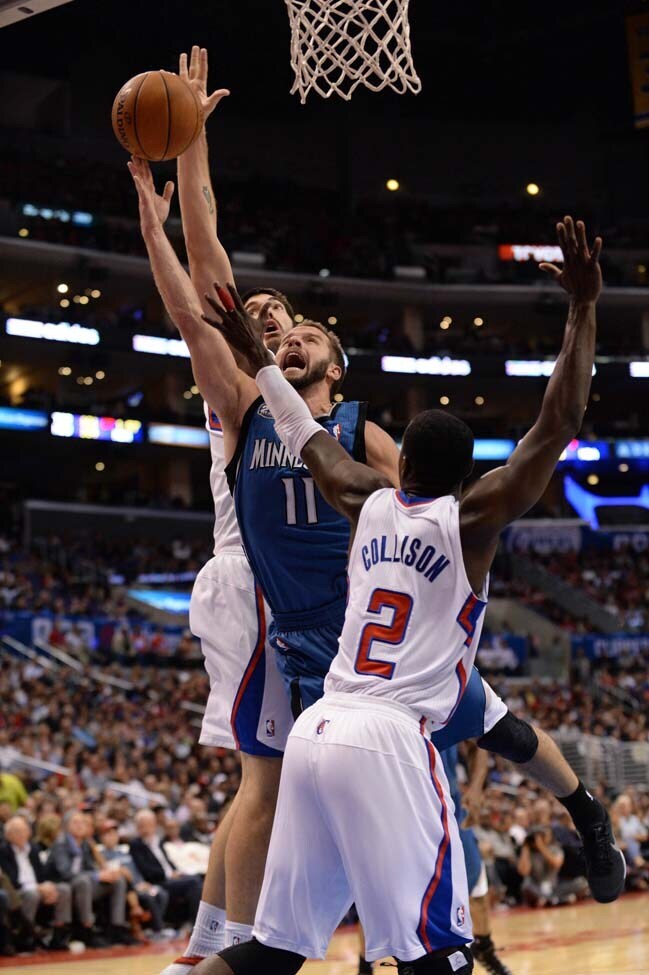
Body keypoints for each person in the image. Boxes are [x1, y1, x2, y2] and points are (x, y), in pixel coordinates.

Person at [190, 216, 625, 975]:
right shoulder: (473, 521)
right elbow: (557, 422)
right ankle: (581, 815)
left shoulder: (361, 497)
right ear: (466, 480)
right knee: (437, 955)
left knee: (268, 954)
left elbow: (297, 424)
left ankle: (584, 813)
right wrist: (582, 307)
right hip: (390, 731)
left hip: (319, 724)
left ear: (401, 466)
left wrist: (256, 351)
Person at [46, 810, 131, 946]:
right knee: (83, 881)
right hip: (62, 884)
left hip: (83, 884)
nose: (80, 826)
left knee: (117, 880)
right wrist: (96, 875)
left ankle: (117, 927)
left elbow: (89, 867)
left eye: (82, 822)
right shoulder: (60, 844)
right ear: (67, 826)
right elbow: (65, 873)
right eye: (76, 822)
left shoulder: (84, 843)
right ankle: (87, 929)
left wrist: (105, 874)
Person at [0, 816, 71, 950]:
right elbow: (10, 882)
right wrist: (38, 887)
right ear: (8, 834)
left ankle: (59, 935)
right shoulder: (3, 851)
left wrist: (47, 886)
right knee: (32, 894)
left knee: (63, 889)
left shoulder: (33, 848)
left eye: (24, 830)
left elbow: (41, 874)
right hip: (19, 891)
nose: (21, 834)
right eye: (16, 831)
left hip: (37, 887)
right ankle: (25, 936)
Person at [129, 809, 203, 928]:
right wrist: (168, 874)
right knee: (193, 883)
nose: (148, 827)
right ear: (138, 826)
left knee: (198, 878)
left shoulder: (158, 842)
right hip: (158, 881)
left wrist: (175, 871)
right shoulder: (136, 845)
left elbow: (167, 862)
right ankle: (196, 924)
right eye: (144, 824)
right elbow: (146, 871)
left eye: (150, 823)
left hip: (170, 877)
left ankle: (192, 921)